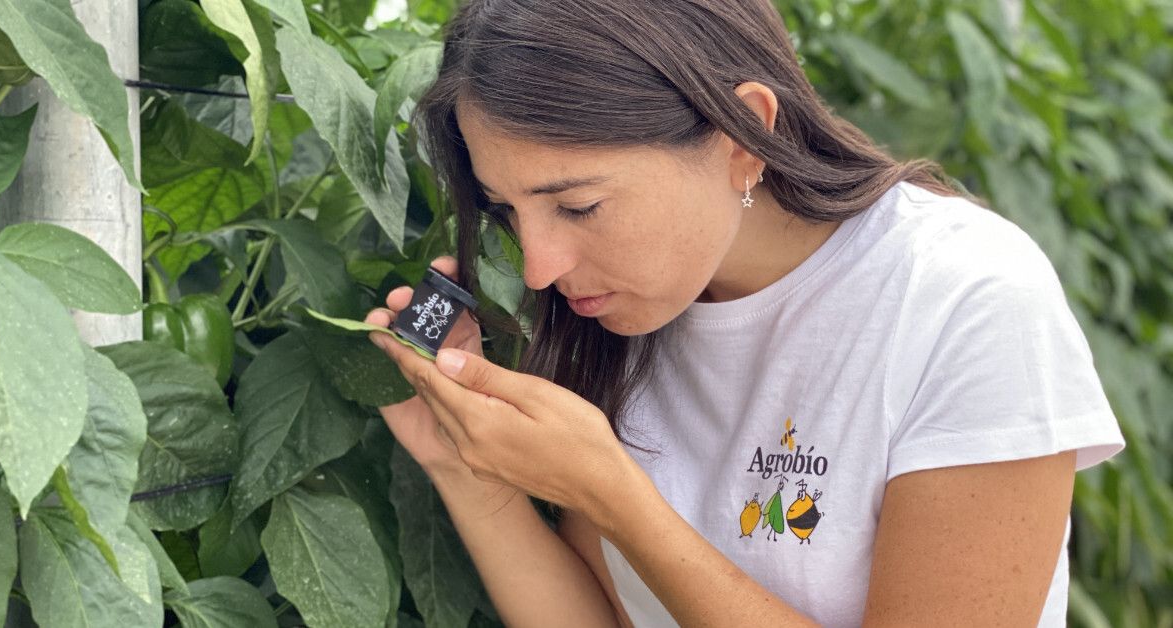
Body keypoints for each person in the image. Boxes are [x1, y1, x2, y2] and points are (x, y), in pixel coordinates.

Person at [365, 1, 1126, 625]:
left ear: (742, 136)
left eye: (579, 205)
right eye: (506, 210)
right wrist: (461, 464)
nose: (538, 267)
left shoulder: (964, 300)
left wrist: (613, 494)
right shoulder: (624, 319)